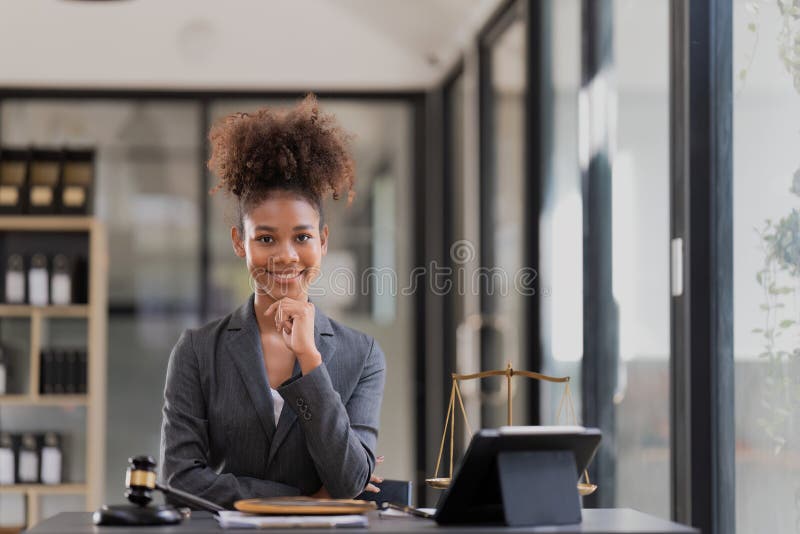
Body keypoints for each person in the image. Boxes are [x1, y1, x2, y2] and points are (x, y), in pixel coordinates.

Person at [159, 95, 386, 509]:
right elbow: (178, 480)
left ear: (323, 241)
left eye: (302, 237)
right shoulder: (197, 351)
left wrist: (310, 360)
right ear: (239, 244)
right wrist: (302, 499)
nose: (285, 255)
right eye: (265, 238)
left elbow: (351, 479)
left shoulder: (362, 355)